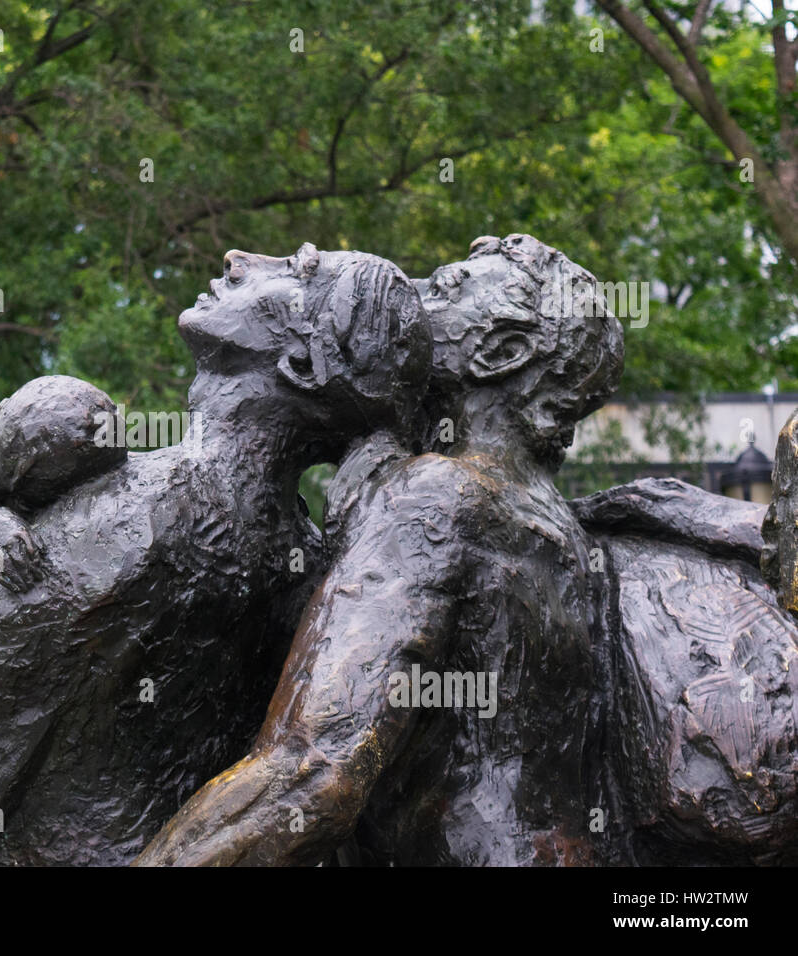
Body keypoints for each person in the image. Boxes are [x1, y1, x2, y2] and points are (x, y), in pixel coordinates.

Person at [0, 243, 431, 865]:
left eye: (296, 272)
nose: (239, 259)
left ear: (301, 360)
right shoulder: (307, 563)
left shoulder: (151, 512)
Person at [135, 234, 626, 866]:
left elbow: (310, 774)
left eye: (442, 289)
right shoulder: (552, 525)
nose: (408, 294)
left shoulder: (440, 498)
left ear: (501, 352)